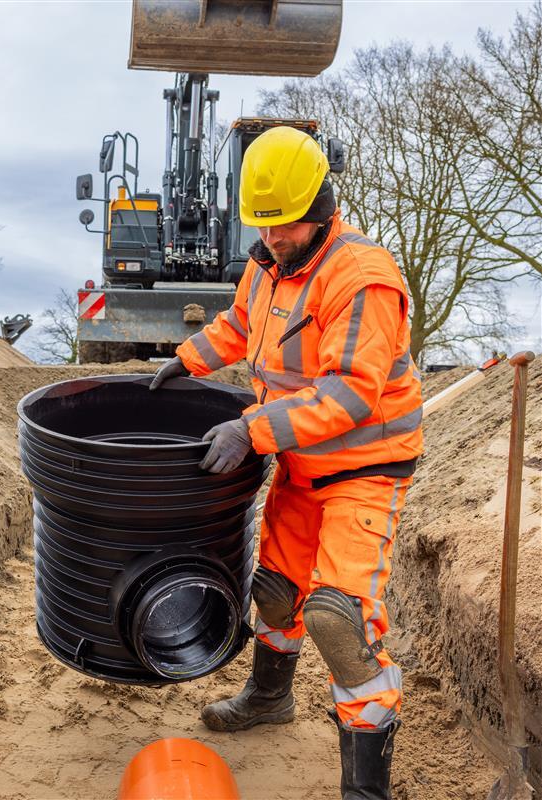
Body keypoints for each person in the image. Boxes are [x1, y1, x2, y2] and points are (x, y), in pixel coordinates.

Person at [150, 125, 423, 800]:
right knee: (274, 590)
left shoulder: (364, 278)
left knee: (338, 619)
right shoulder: (268, 262)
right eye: (264, 228)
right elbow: (240, 326)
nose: (272, 240)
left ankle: (366, 788)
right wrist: (183, 362)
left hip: (363, 472)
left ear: (324, 204)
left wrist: (251, 427)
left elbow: (350, 393)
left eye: (286, 228)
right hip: (300, 466)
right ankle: (270, 698)